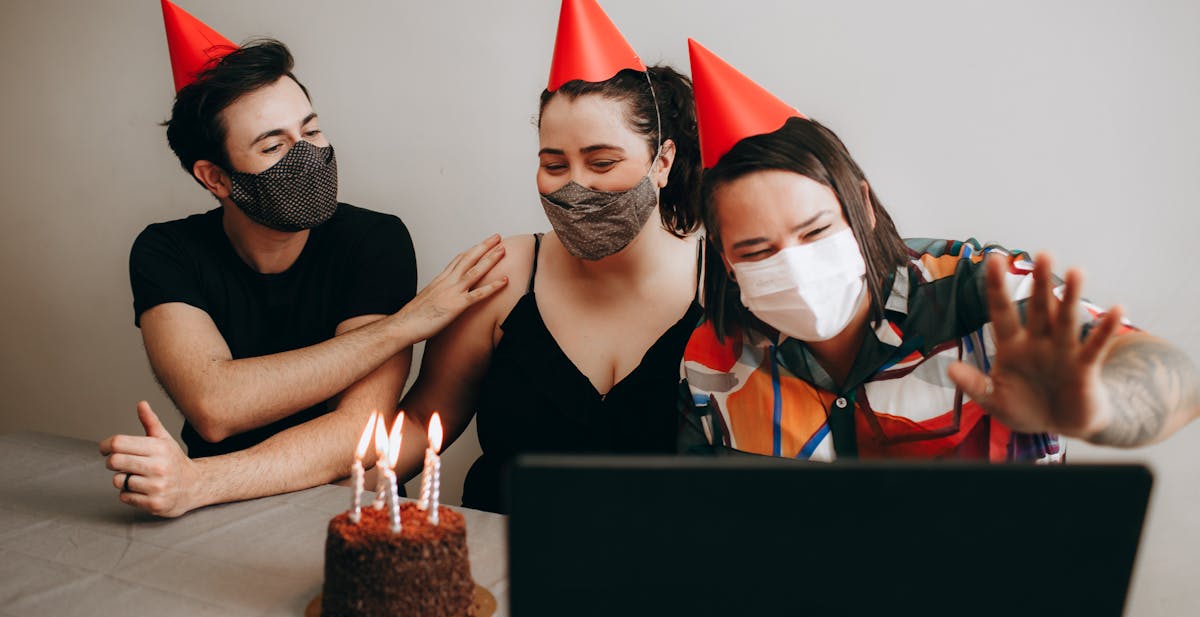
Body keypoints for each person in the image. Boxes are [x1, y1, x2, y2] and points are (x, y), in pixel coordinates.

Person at [679, 39, 1199, 460]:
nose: (794, 264)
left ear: (862, 205)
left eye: (815, 232)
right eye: (756, 250)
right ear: (724, 256)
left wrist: (1103, 409)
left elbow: (1178, 388)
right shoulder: (714, 357)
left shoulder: (983, 290)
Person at [99, 4, 506, 518]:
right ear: (216, 178)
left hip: (336, 508)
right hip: (211, 519)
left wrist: (199, 481)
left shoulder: (373, 239)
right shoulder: (166, 250)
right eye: (273, 146)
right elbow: (216, 406)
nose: (306, 156)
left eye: (311, 133)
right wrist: (401, 327)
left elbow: (356, 429)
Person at [391, 0, 704, 513]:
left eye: (602, 161)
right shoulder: (505, 275)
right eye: (554, 164)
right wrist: (342, 491)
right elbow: (426, 419)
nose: (576, 185)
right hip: (499, 567)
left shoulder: (721, 283)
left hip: (658, 576)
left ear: (662, 161)